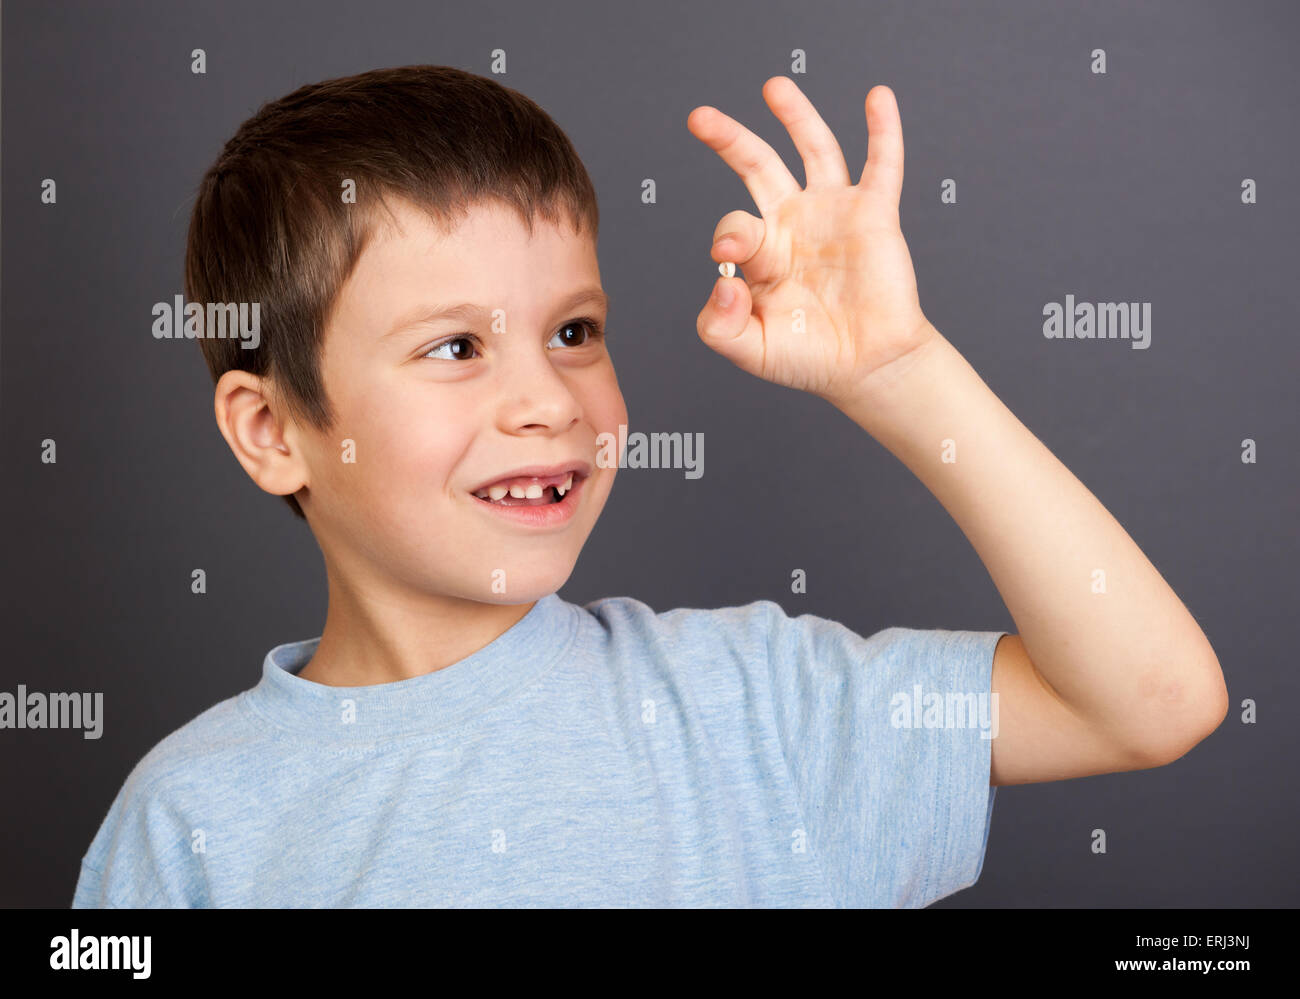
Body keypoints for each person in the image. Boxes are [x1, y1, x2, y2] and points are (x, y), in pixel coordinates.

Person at [71, 65, 1226, 908]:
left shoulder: (757, 706)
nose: (550, 401)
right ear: (273, 431)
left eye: (574, 330)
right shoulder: (193, 826)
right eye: (455, 347)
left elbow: (1151, 702)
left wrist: (903, 374)